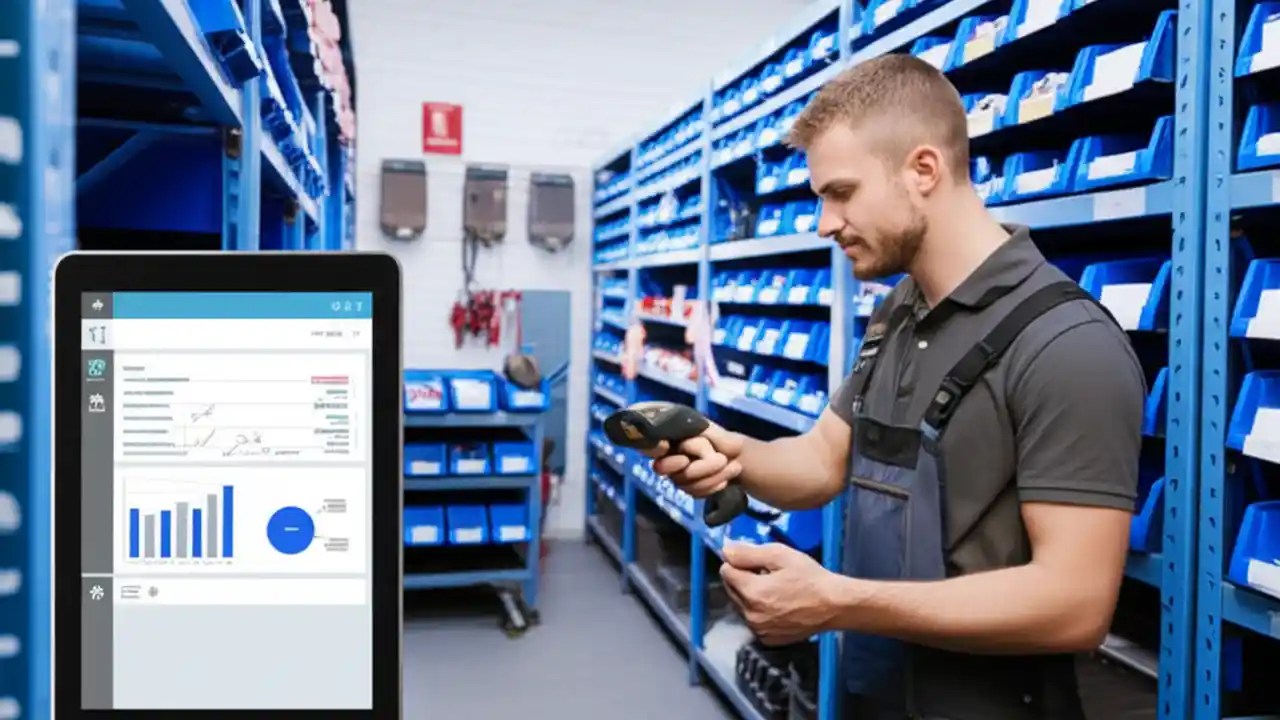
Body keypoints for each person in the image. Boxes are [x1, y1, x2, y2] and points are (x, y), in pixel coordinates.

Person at [646, 54, 1145, 720]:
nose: (824, 223)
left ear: (923, 170)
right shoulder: (898, 312)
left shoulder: (1067, 346)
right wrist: (727, 451)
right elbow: (824, 460)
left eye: (841, 193)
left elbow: (1075, 605)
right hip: (879, 693)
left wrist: (841, 601)